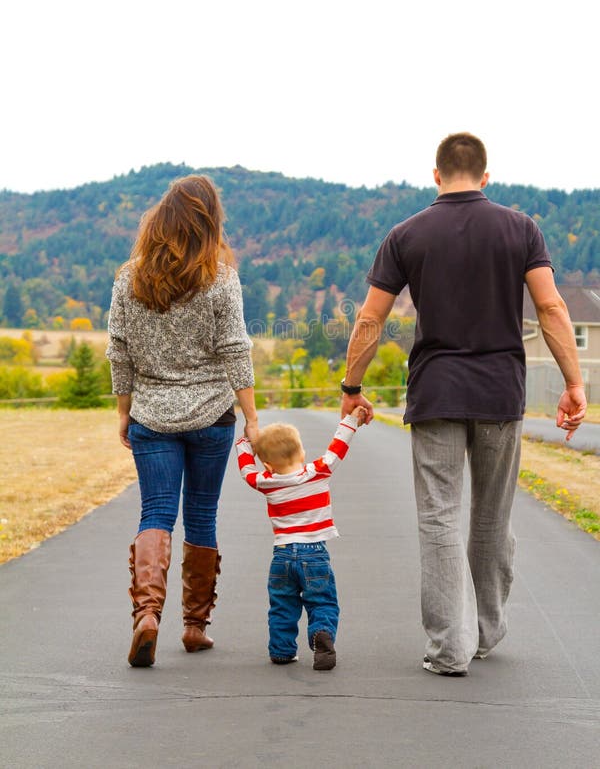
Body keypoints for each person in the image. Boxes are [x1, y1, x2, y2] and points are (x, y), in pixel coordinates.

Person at [340, 132, 587, 676]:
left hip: (436, 392)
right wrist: (574, 383)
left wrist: (351, 387)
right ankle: (486, 631)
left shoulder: (406, 234)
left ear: (436, 175)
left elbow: (369, 319)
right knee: (492, 517)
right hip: (501, 392)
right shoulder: (520, 229)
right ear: (484, 175)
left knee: (439, 518)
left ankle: (450, 646)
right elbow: (550, 306)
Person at [106, 175, 259, 668]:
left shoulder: (129, 277)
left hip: (152, 414)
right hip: (212, 415)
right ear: (210, 221)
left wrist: (125, 411)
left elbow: (119, 352)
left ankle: (146, 615)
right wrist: (251, 416)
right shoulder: (221, 276)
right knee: (202, 515)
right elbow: (235, 346)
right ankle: (194, 627)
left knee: (155, 513)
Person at [236, 406, 366, 670]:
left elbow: (246, 469)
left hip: (282, 555)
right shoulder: (317, 472)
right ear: (301, 452)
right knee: (322, 600)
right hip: (315, 552)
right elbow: (338, 446)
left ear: (269, 464)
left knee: (282, 605)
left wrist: (244, 442)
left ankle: (282, 650)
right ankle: (322, 634)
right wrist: (352, 420)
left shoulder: (265, 481)